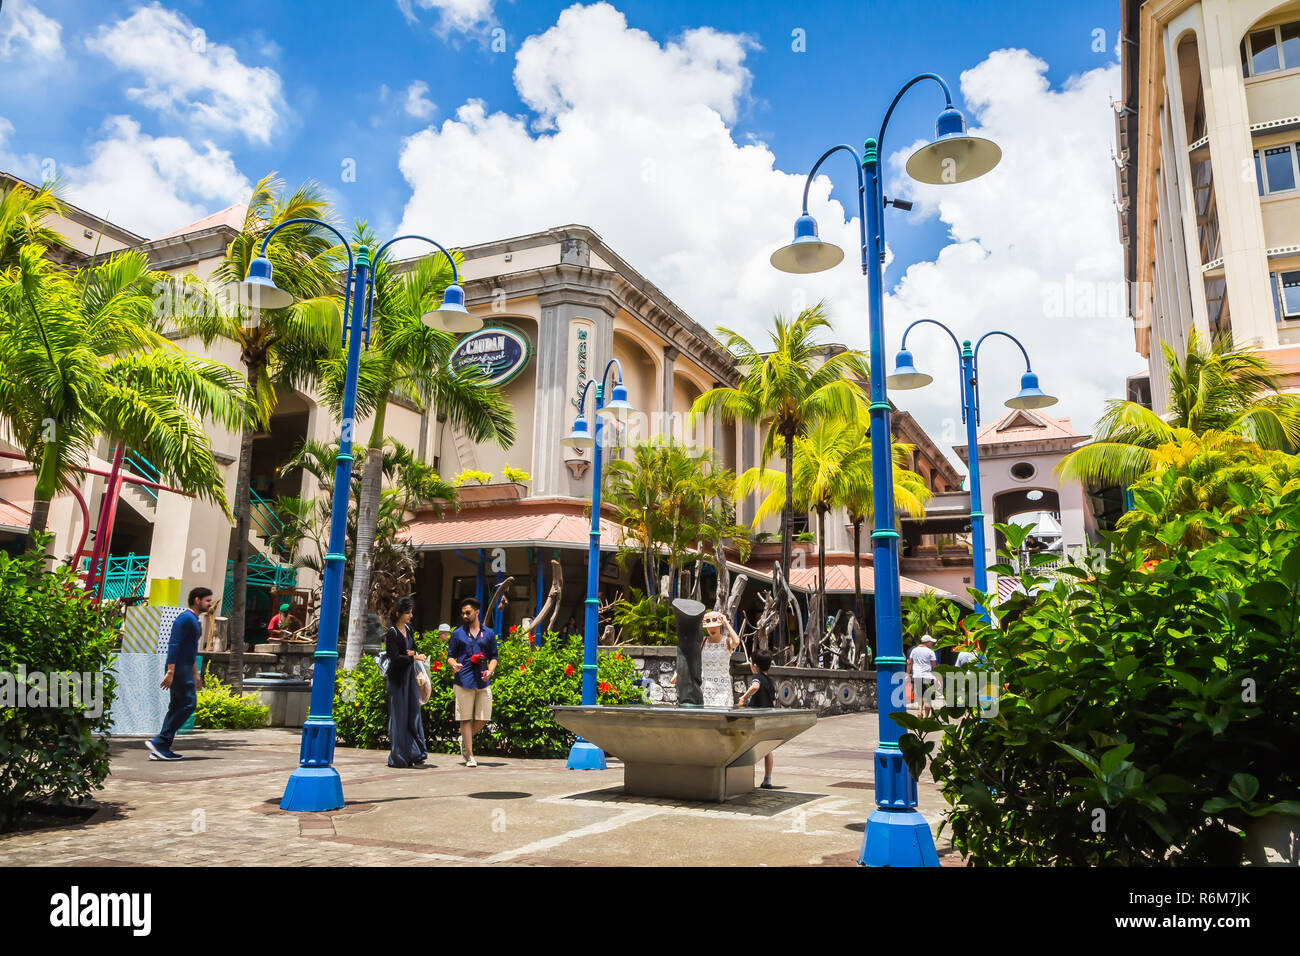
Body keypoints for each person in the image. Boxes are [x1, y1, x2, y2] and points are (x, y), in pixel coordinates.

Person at [146, 587, 213, 761]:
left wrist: (196, 675)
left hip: (184, 669)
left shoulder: (194, 620)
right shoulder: (185, 619)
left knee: (176, 706)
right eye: (207, 600)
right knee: (188, 704)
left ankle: (161, 748)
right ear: (197, 600)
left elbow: (191, 650)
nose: (210, 603)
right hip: (178, 669)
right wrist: (170, 671)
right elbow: (174, 644)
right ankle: (161, 742)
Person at [447, 596, 497, 767]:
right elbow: (450, 656)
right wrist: (454, 665)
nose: (464, 616)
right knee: (465, 719)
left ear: (477, 612)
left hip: (483, 681)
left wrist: (490, 671)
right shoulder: (457, 633)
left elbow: (494, 657)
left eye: (468, 612)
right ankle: (470, 755)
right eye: (462, 613)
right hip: (463, 680)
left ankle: (463, 738)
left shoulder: (488, 633)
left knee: (484, 717)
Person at [385, 596, 428, 768]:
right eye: (407, 612)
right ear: (398, 613)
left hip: (409, 678)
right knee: (398, 717)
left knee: (413, 714)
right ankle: (398, 757)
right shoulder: (392, 632)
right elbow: (394, 658)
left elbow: (411, 649)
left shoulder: (408, 629)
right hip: (397, 680)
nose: (410, 615)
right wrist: (413, 656)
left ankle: (415, 753)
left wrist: (412, 654)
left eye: (411, 612)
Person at [736, 650, 777, 788]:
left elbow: (755, 686)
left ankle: (745, 777)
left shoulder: (757, 677)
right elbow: (774, 702)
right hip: (768, 718)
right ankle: (768, 779)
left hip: (756, 719)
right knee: (767, 750)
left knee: (748, 747)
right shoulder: (770, 682)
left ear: (754, 665)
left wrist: (743, 698)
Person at [700, 610, 741, 708]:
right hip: (705, 687)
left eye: (714, 626)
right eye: (709, 626)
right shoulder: (702, 642)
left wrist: (726, 623)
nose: (712, 629)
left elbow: (736, 641)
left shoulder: (726, 641)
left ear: (720, 626)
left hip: (723, 689)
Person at [907, 634, 939, 718]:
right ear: (927, 642)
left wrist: (907, 674)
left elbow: (910, 662)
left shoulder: (914, 650)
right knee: (927, 697)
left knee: (920, 696)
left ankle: (920, 711)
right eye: (931, 642)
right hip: (927, 676)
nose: (932, 644)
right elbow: (934, 666)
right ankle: (926, 717)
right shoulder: (930, 652)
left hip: (917, 676)